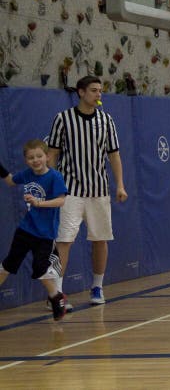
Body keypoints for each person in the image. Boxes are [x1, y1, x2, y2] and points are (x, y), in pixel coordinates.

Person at [48, 75, 127, 307]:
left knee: (101, 239)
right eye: (93, 90)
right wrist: (52, 185)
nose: (98, 94)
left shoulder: (106, 120)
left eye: (100, 91)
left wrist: (120, 185)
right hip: (69, 190)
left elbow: (114, 155)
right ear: (81, 92)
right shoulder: (63, 119)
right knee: (64, 240)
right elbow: (52, 154)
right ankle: (57, 295)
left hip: (99, 190)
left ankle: (97, 287)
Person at [0, 140, 70, 320]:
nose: (35, 160)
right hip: (25, 230)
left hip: (45, 234)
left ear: (47, 157)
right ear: (26, 160)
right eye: (31, 158)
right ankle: (56, 296)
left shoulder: (54, 177)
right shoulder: (27, 174)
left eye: (39, 156)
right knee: (8, 264)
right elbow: (10, 181)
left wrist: (39, 202)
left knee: (40, 267)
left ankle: (56, 297)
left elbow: (61, 200)